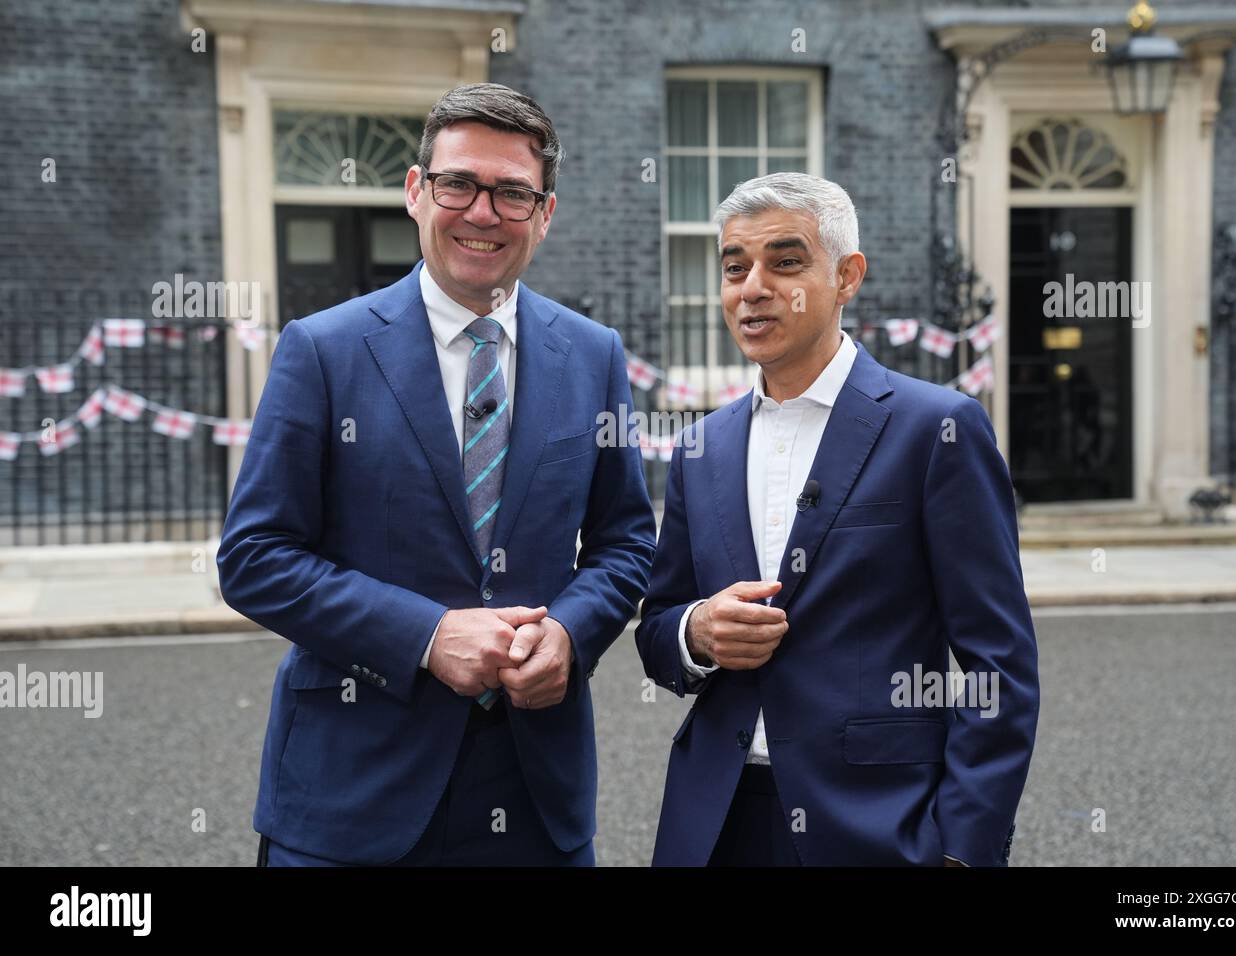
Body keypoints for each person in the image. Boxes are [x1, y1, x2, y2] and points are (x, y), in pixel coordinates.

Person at [218, 83, 656, 866]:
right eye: (459, 183)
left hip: (533, 793)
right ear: (417, 192)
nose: (482, 213)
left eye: (513, 193)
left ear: (545, 214)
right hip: (352, 792)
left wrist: (569, 633)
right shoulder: (323, 350)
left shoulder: (593, 355)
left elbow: (625, 543)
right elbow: (255, 558)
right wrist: (426, 635)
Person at [635, 172, 1039, 866]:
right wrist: (697, 632)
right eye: (735, 268)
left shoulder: (937, 428)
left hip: (878, 826)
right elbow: (658, 626)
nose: (752, 287)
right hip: (715, 822)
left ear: (847, 276)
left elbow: (997, 662)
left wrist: (962, 849)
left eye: (784, 262)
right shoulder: (701, 446)